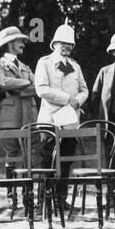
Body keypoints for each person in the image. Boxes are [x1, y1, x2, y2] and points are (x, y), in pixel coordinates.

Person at [34, 24, 88, 207]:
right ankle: (44, 199)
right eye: (63, 43)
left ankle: (61, 198)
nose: (66, 47)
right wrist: (67, 99)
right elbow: (41, 89)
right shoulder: (44, 63)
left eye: (70, 44)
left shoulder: (75, 66)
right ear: (54, 43)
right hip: (49, 119)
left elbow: (84, 89)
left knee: (66, 158)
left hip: (70, 120)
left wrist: (77, 101)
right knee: (47, 159)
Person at [0, 25, 37, 162]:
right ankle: (11, 184)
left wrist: (18, 87)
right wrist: (27, 82)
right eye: (20, 41)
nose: (23, 44)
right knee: (12, 154)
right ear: (10, 43)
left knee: (29, 154)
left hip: (29, 115)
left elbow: (39, 87)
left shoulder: (25, 67)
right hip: (8, 117)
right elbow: (3, 83)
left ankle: (27, 184)